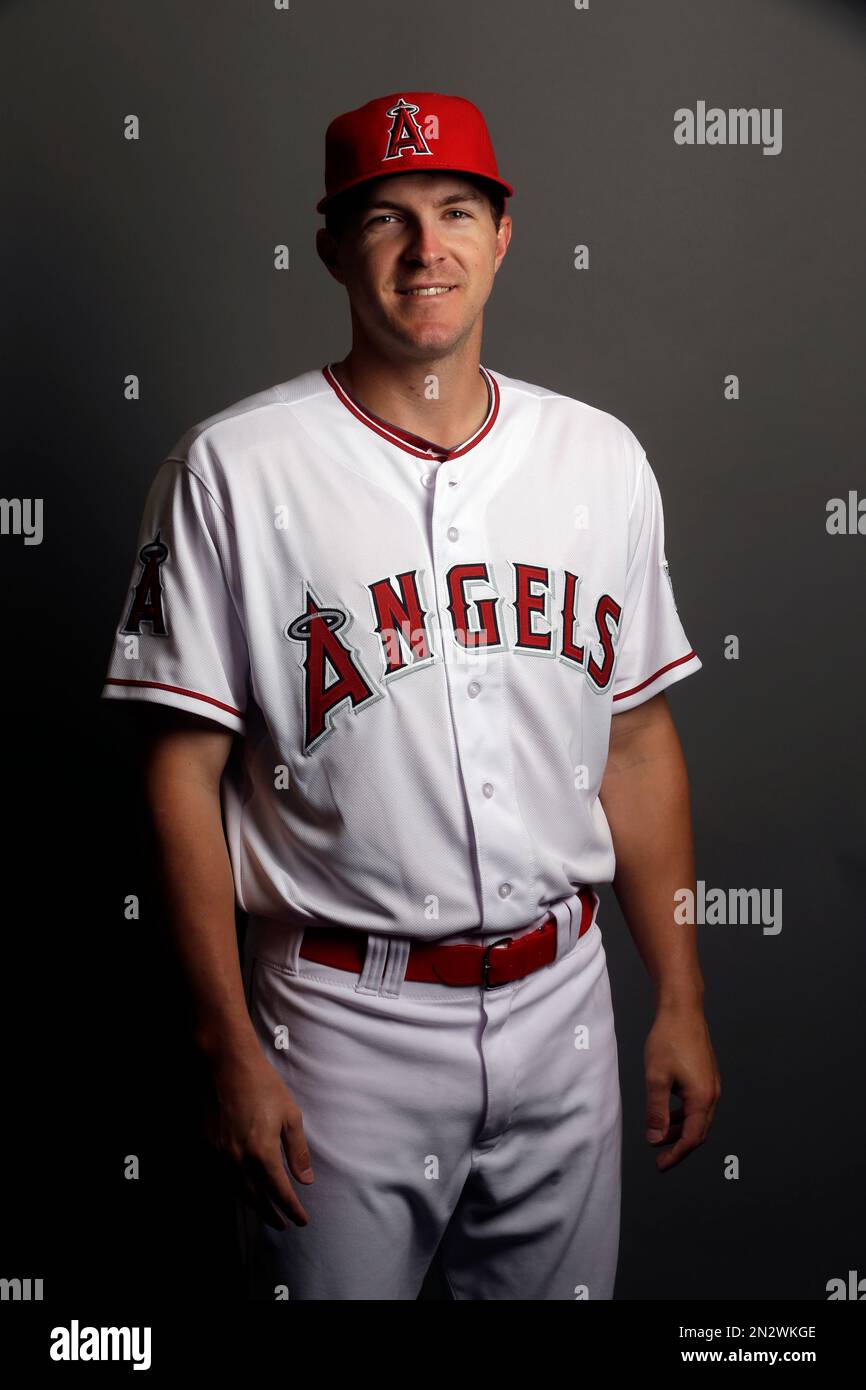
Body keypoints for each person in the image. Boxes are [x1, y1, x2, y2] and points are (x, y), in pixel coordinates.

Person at [101, 90, 720, 1300]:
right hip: (338, 1022)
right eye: (384, 218)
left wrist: (680, 998)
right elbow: (179, 773)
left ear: (501, 234)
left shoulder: (599, 457)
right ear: (333, 246)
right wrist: (226, 1043)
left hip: (563, 1004)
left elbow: (636, 744)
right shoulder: (231, 467)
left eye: (453, 212)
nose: (423, 250)